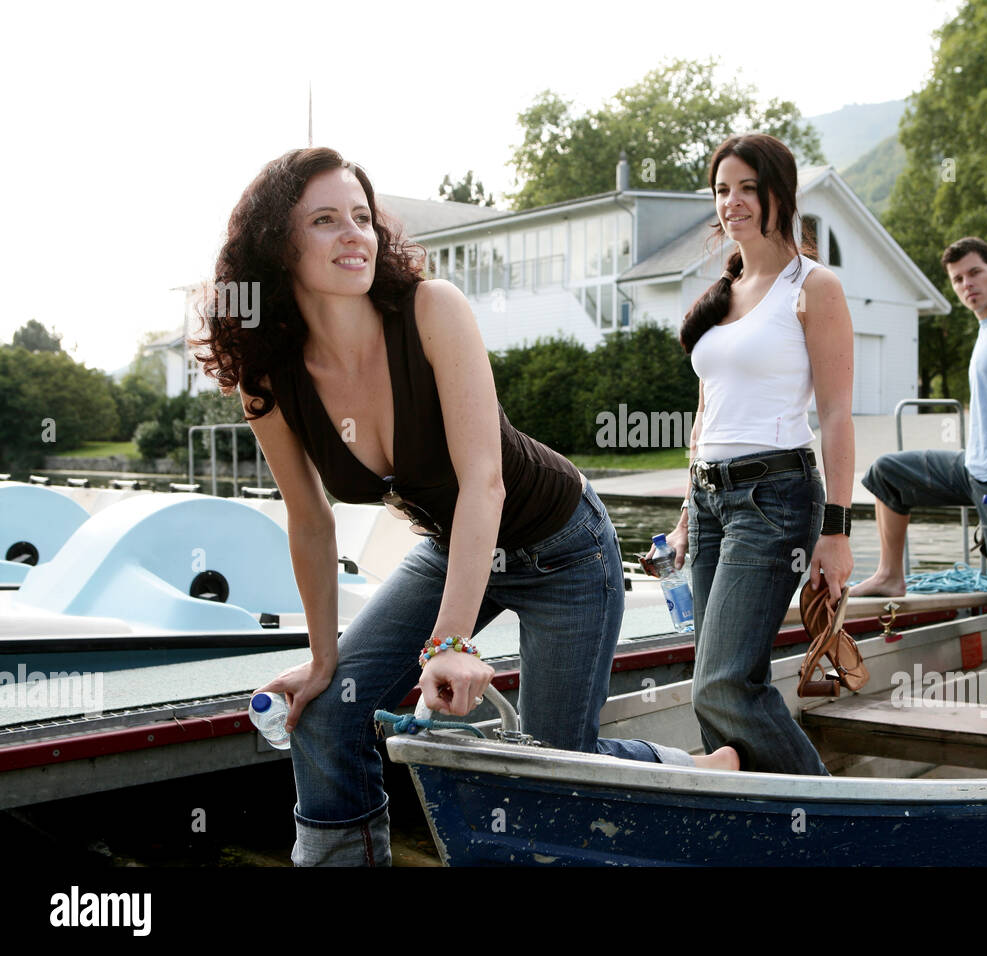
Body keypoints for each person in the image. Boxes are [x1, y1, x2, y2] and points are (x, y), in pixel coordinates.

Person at [192, 147, 736, 867]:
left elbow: (484, 481)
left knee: (555, 762)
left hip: (563, 545)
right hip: (454, 547)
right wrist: (323, 660)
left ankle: (693, 773)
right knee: (323, 718)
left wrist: (449, 643)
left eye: (362, 216)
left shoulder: (429, 310)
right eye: (324, 220)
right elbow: (310, 518)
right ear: (275, 243)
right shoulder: (269, 376)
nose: (353, 233)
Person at [654, 133, 855, 775]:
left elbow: (836, 415)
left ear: (780, 193)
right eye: (721, 190)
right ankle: (764, 821)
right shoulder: (726, 290)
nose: (732, 202)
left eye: (747, 188)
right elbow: (708, 408)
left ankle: (831, 820)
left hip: (775, 497)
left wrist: (837, 531)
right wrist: (688, 511)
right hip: (711, 500)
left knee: (724, 684)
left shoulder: (812, 286)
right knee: (710, 691)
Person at [848, 237, 987, 709]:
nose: (967, 284)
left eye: (975, 273)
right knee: (887, 474)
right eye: (958, 279)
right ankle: (890, 575)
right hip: (973, 468)